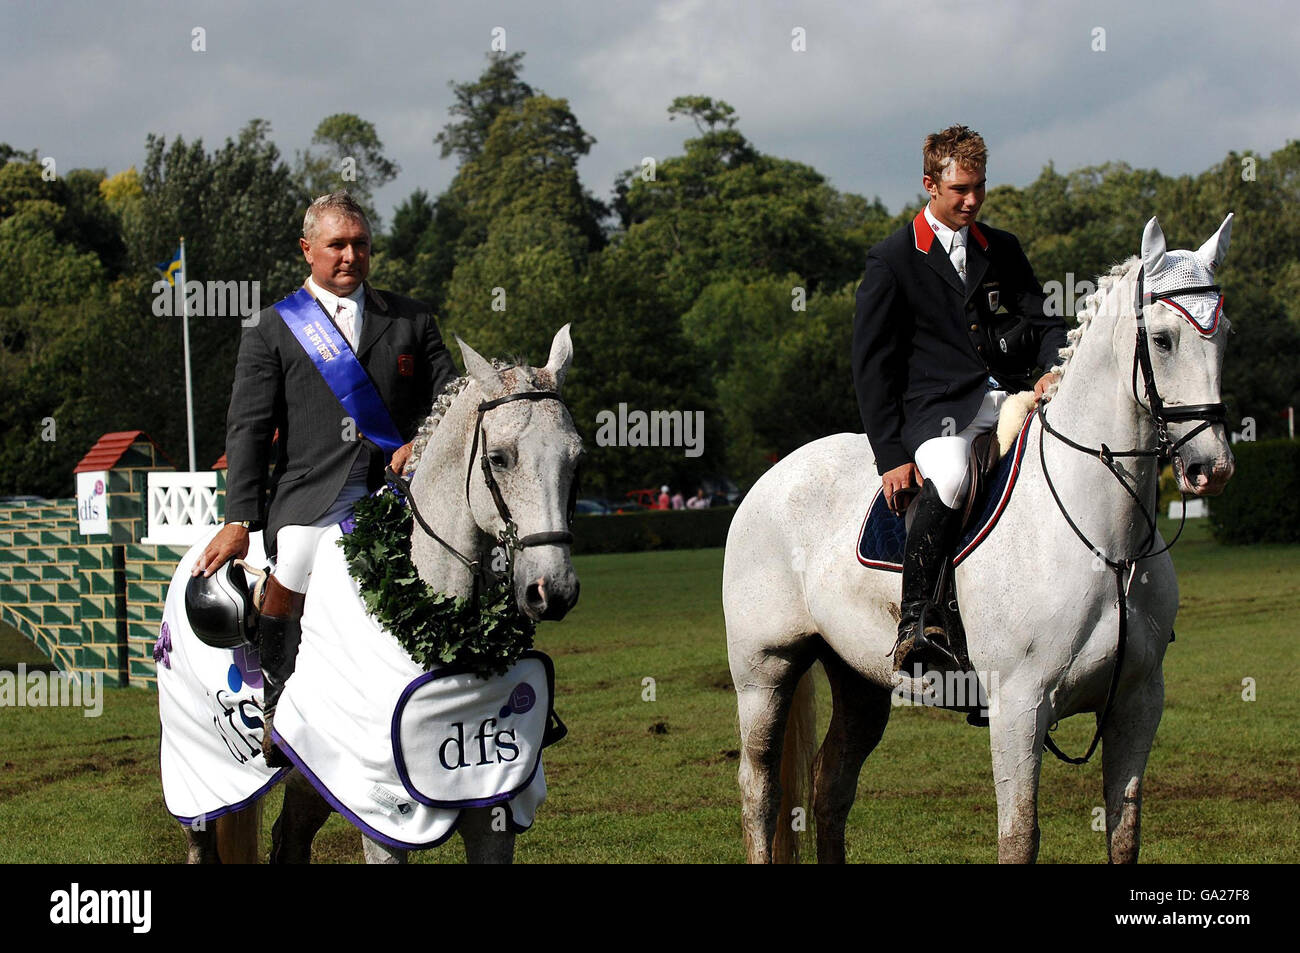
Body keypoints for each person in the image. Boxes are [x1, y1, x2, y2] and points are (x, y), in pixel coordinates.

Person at [193, 190, 457, 764]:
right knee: (296, 558)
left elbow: (450, 402)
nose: (349, 255)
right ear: (307, 249)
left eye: (360, 244)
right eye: (336, 244)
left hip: (400, 491)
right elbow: (248, 430)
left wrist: (422, 441)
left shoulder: (412, 319)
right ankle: (280, 705)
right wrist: (239, 519)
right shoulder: (271, 329)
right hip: (310, 495)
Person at [852, 126, 1067, 671]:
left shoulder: (1003, 248)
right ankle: (917, 620)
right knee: (949, 477)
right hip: (936, 414)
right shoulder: (892, 260)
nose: (972, 201)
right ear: (930, 185)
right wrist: (891, 458)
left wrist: (1048, 371)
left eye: (980, 188)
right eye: (959, 191)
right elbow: (872, 368)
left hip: (1009, 398)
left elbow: (1042, 322)